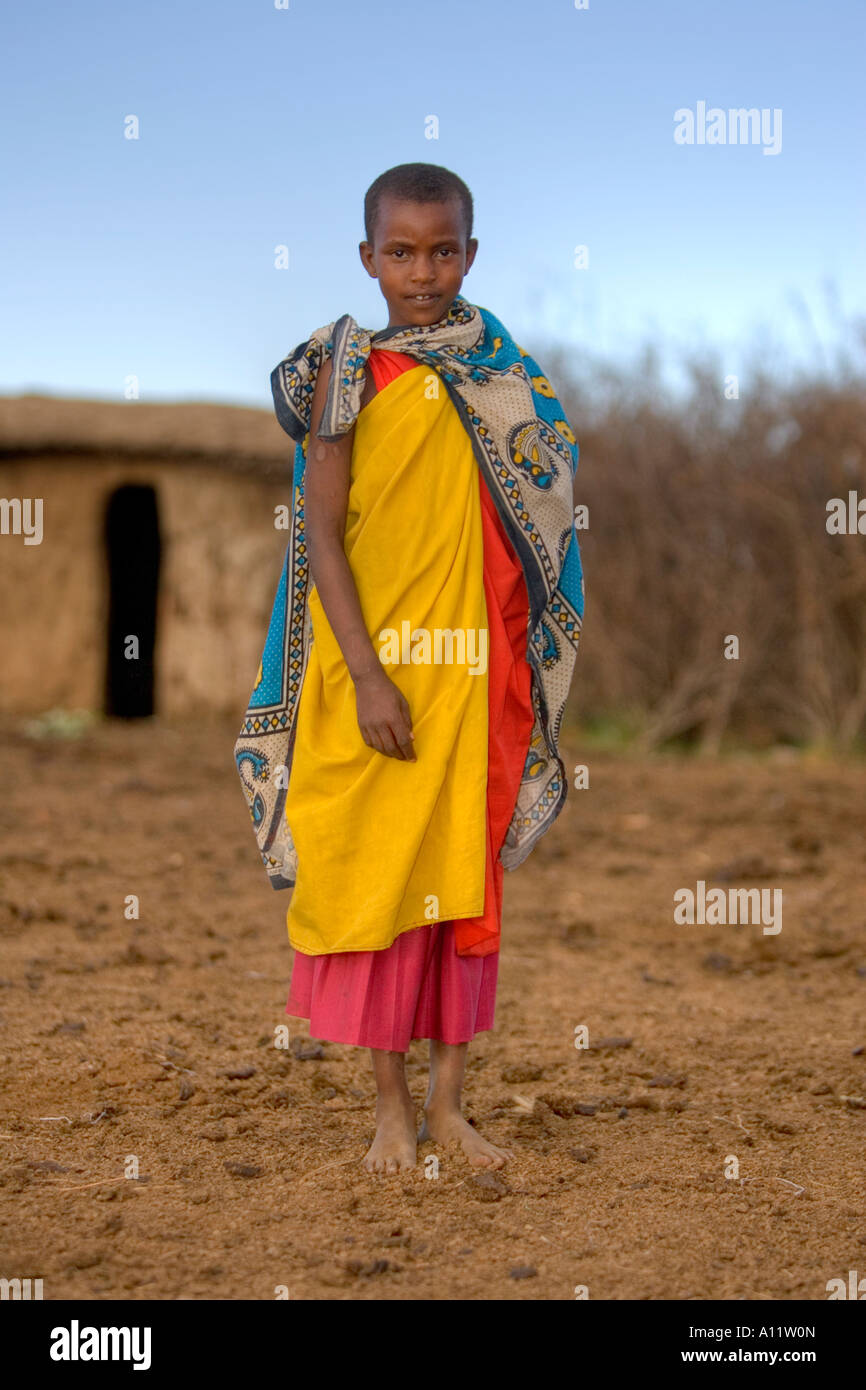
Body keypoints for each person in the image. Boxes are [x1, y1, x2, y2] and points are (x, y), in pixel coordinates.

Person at [234, 162, 584, 1175]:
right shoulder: (342, 372)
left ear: (470, 254)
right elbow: (323, 539)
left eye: (441, 251)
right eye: (401, 252)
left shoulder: (501, 373)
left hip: (471, 669)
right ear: (366, 259)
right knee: (378, 876)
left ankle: (448, 1107)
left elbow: (541, 494)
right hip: (369, 669)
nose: (421, 272)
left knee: (457, 881)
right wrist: (370, 674)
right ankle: (388, 1109)